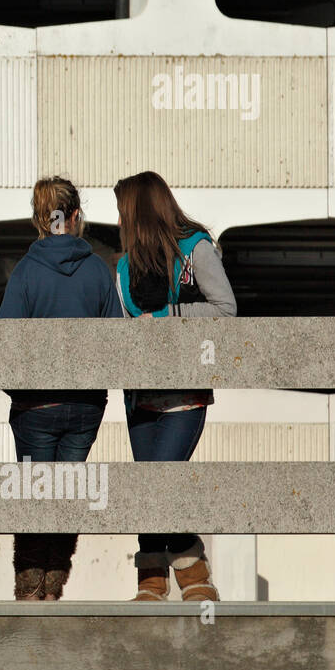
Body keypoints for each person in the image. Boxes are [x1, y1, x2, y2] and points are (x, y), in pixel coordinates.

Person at [113, 171, 237, 602]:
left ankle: (191, 574)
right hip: (140, 397)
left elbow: (225, 310)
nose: (119, 221)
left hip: (185, 396)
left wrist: (170, 319)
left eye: (122, 212)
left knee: (162, 484)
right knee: (148, 489)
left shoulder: (196, 247)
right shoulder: (124, 266)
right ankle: (152, 580)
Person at [0, 178, 122, 601]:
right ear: (75, 216)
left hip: (36, 405)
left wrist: (17, 392)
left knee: (34, 493)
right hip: (85, 407)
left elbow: (3, 342)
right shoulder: (97, 270)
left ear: (38, 218)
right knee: (67, 492)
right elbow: (115, 338)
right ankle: (54, 585)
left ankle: (30, 585)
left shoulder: (27, 272)